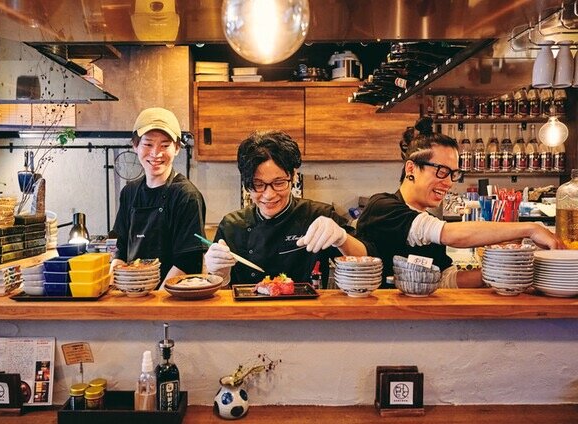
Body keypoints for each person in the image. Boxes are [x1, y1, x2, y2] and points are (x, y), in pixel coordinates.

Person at [356, 117, 564, 288]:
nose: (448, 182)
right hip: (380, 318)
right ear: (411, 168)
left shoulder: (427, 218)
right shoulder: (383, 207)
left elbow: (444, 279)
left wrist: (506, 271)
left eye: (453, 174)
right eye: (441, 171)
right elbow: (450, 234)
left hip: (420, 319)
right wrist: (530, 228)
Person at [204, 130, 374, 286]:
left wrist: (342, 239)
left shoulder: (318, 215)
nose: (269, 195)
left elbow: (368, 260)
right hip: (249, 310)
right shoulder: (231, 226)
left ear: (293, 176)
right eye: (258, 184)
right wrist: (219, 275)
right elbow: (217, 294)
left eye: (279, 183)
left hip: (307, 309)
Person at [112, 107, 206, 283]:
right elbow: (121, 248)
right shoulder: (129, 192)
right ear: (135, 146)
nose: (156, 153)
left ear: (177, 148)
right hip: (132, 292)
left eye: (165, 145)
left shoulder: (186, 196)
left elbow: (187, 262)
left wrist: (158, 298)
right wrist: (118, 286)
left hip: (170, 295)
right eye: (148, 144)